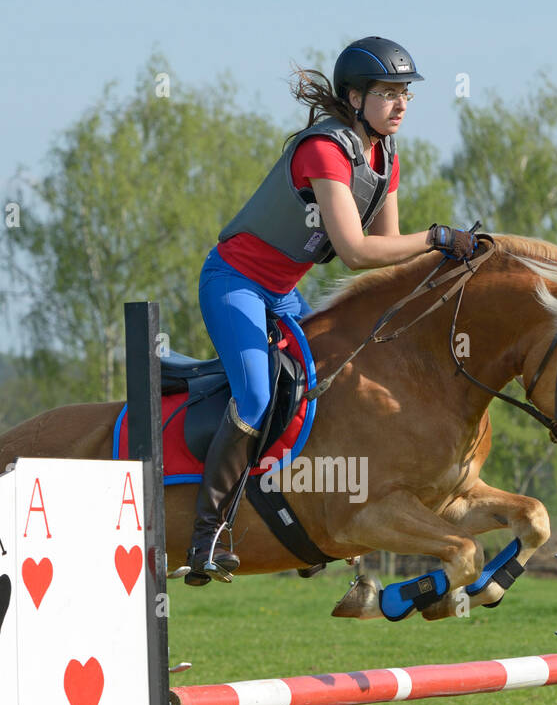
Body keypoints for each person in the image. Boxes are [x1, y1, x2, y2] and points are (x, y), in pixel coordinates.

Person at [186, 35, 478, 584]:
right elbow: (356, 250)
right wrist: (438, 236)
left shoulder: (385, 158)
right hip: (236, 283)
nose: (400, 104)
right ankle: (208, 535)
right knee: (256, 394)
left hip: (282, 291)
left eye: (406, 95)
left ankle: (304, 515)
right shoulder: (324, 149)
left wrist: (446, 263)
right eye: (388, 93)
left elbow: (387, 253)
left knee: (339, 382)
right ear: (354, 96)